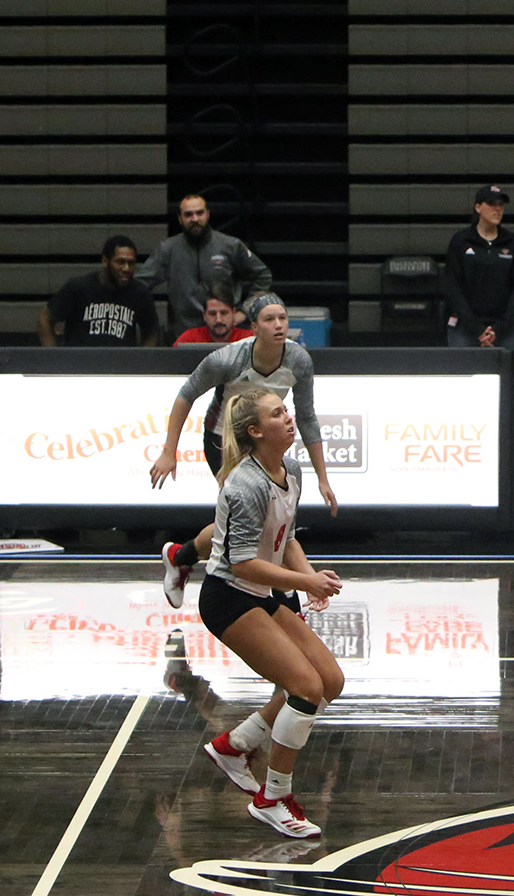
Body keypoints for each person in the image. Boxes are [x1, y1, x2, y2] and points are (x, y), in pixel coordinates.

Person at [198, 386, 344, 838]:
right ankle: (272, 797)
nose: (289, 418)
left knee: (329, 681)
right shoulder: (245, 484)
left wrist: (310, 576)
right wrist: (305, 583)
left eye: (286, 411)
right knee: (305, 687)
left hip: (262, 593)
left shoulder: (290, 469)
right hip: (229, 596)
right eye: (277, 414)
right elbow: (242, 562)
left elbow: (287, 538)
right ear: (256, 431)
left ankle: (236, 745)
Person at [152, 293, 338, 611]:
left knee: (254, 520)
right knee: (255, 518)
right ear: (254, 327)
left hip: (264, 439)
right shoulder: (227, 359)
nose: (278, 325)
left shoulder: (299, 360)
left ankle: (180, 556)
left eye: (282, 318)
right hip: (224, 440)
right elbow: (186, 395)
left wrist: (322, 477)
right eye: (269, 319)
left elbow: (306, 417)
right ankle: (285, 600)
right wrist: (169, 451)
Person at [136, 194, 273, 334]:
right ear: (180, 219)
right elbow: (140, 284)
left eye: (199, 213)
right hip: (185, 334)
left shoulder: (230, 246)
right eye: (188, 214)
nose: (195, 219)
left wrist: (245, 310)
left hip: (226, 332)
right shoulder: (167, 249)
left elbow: (263, 275)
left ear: (207, 214)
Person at [444, 184, 514, 349]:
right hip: (465, 327)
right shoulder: (461, 241)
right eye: (491, 204)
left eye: (500, 204)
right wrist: (476, 328)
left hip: (504, 329)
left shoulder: (512, 242)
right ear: (478, 207)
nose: (497, 209)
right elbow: (452, 286)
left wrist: (499, 328)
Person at [38, 235, 160, 347]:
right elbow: (44, 319)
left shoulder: (140, 293)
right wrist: (54, 358)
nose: (126, 268)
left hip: (121, 362)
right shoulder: (78, 287)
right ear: (105, 261)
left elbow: (152, 332)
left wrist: (143, 360)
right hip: (81, 361)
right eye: (120, 262)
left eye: (131, 263)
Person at [173, 282, 253, 345]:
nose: (218, 320)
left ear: (233, 313)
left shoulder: (250, 339)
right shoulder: (189, 339)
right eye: (212, 314)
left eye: (224, 313)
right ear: (204, 316)